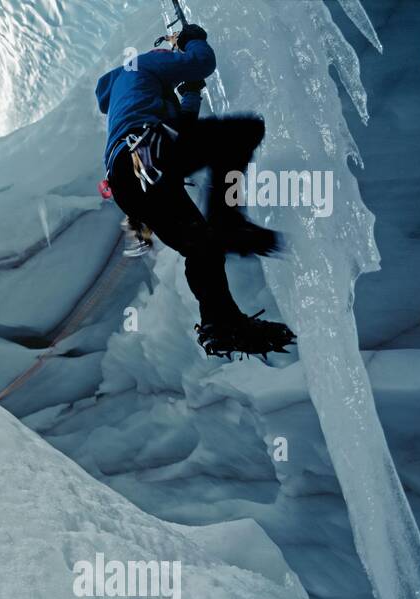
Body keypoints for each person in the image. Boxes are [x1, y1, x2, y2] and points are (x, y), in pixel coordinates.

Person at [95, 23, 295, 358]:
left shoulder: (128, 92)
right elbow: (201, 63)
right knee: (245, 131)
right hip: (146, 152)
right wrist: (192, 40)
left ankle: (223, 325)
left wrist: (191, 94)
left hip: (132, 178)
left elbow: (184, 134)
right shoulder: (142, 64)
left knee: (202, 247)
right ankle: (229, 220)